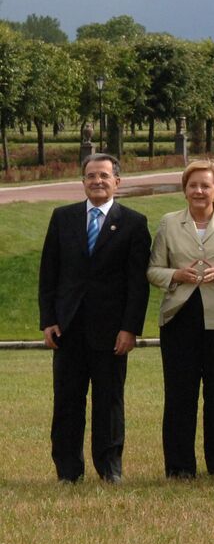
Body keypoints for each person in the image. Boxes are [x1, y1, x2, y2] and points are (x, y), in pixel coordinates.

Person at [38, 153, 151, 483]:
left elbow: (137, 284)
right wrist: (48, 320)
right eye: (90, 176)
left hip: (111, 332)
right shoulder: (63, 218)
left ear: (117, 181)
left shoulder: (133, 222)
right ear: (82, 181)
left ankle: (110, 468)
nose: (97, 181)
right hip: (68, 328)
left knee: (109, 402)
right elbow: (49, 275)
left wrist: (130, 328)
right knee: (67, 403)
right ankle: (68, 472)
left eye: (104, 175)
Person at [146, 159, 214, 478]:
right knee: (180, 395)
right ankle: (179, 467)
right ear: (184, 190)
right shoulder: (168, 223)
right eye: (192, 185)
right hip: (180, 317)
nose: (199, 191)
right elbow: (152, 269)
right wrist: (176, 274)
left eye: (205, 185)